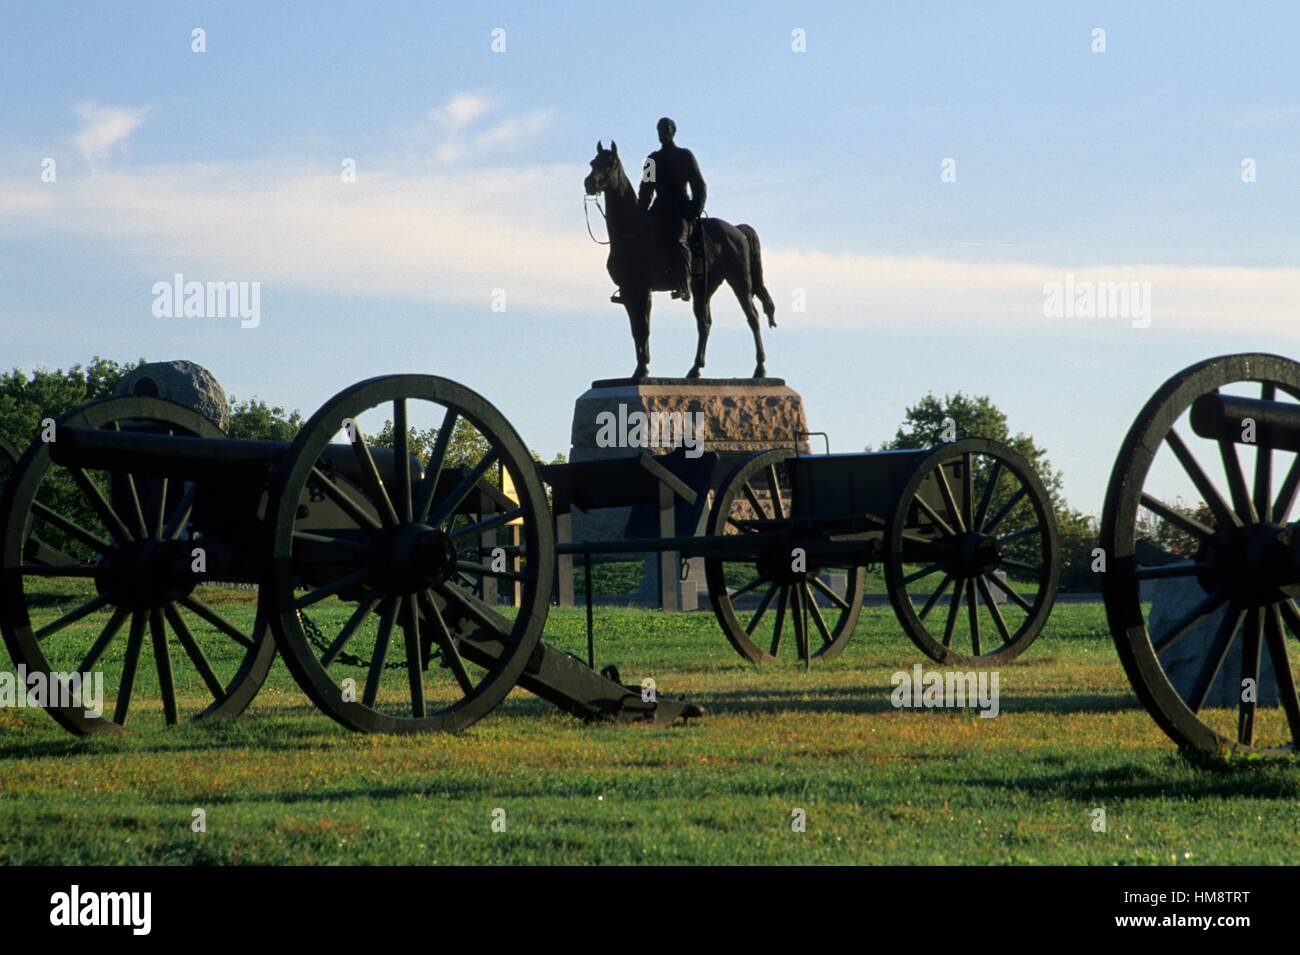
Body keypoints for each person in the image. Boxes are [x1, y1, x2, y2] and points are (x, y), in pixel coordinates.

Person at [637, 117, 706, 302]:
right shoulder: (652, 160)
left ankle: (684, 284)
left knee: (678, 241)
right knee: (638, 238)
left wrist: (694, 211)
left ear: (673, 131)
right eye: (660, 130)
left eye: (666, 130)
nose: (663, 134)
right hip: (659, 209)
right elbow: (646, 189)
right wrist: (640, 212)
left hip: (680, 210)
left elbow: (699, 186)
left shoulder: (685, 156)